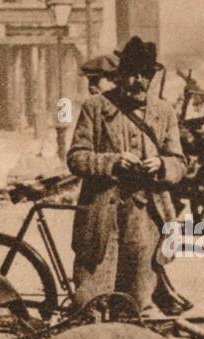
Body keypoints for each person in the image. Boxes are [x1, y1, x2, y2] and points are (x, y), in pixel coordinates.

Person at [66, 36, 187, 314]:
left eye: (146, 75)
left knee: (137, 303)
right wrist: (112, 162)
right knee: (89, 303)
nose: (139, 82)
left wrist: (162, 164)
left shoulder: (164, 112)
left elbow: (180, 163)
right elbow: (75, 158)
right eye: (133, 74)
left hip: (146, 222)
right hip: (100, 218)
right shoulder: (96, 108)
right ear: (120, 75)